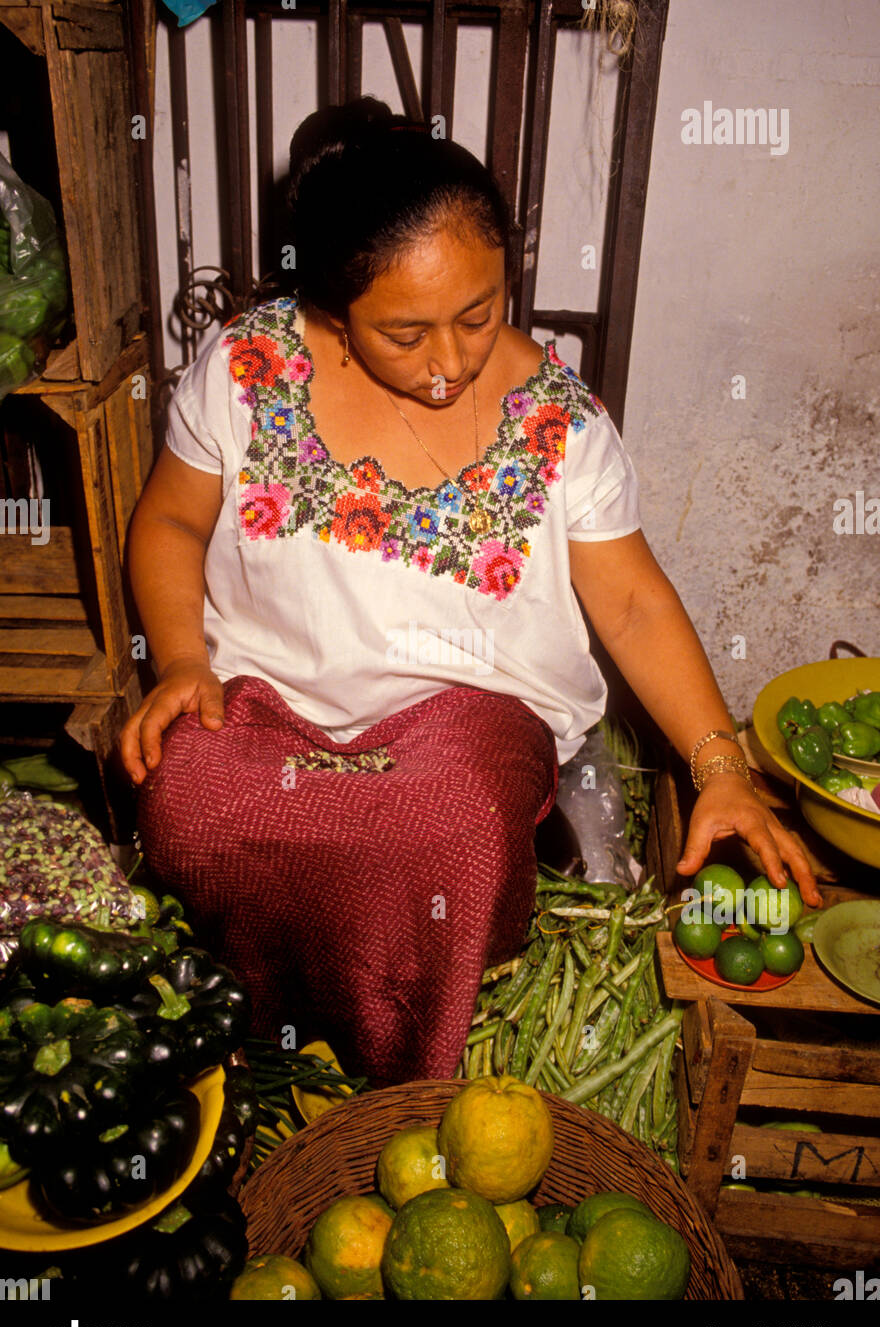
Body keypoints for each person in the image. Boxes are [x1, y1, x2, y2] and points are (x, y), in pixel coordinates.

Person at [119, 98, 820, 1084]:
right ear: (330, 304)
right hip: (268, 705)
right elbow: (171, 521)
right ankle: (267, 1033)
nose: (447, 365)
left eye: (477, 316)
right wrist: (183, 660)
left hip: (461, 724)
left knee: (442, 830)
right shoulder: (247, 366)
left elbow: (630, 601)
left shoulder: (556, 424)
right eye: (403, 333)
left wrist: (721, 766)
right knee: (192, 803)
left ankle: (402, 1068)